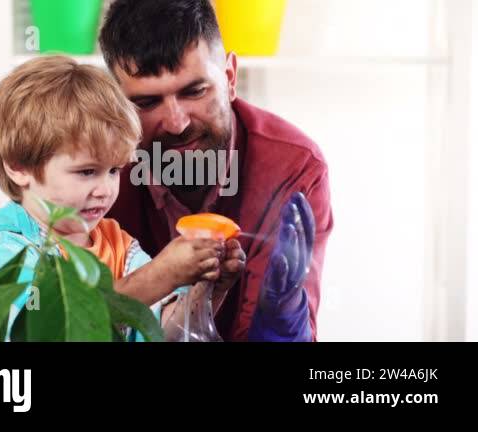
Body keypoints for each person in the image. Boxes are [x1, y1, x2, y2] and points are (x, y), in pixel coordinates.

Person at [0, 55, 246, 340]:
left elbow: (160, 332)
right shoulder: (4, 253)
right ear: (18, 167)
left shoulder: (118, 247)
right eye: (87, 172)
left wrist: (206, 289)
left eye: (113, 170)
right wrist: (161, 276)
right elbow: (52, 330)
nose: (105, 190)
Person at [100, 0, 333, 341]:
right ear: (117, 103)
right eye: (147, 102)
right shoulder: (97, 172)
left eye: (195, 91)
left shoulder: (292, 169)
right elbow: (62, 325)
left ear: (229, 77)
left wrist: (282, 321)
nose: (177, 123)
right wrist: (156, 278)